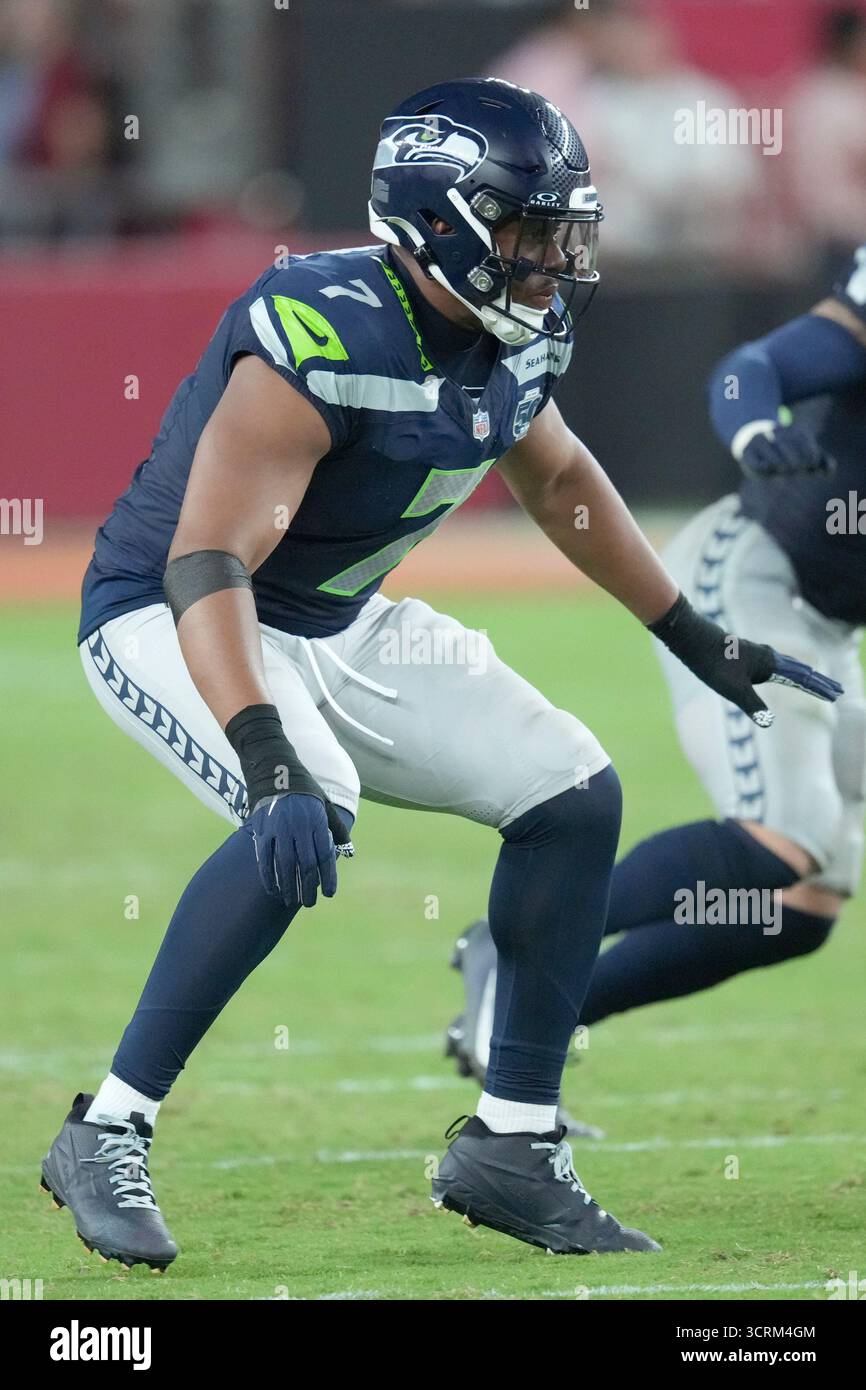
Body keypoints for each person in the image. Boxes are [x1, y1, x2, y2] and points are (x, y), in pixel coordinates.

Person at [41, 78, 839, 1268]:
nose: (549, 259)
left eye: (558, 231)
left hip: (340, 615)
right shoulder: (321, 328)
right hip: (181, 607)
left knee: (572, 791)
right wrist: (263, 750)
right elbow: (208, 555)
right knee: (302, 806)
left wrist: (690, 632)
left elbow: (559, 481)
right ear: (440, 222)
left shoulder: (518, 330)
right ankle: (107, 1128)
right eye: (525, 231)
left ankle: (511, 1142)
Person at [445, 246, 866, 1128]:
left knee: (804, 905)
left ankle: (534, 1025)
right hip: (752, 579)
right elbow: (759, 368)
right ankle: (510, 942)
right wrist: (755, 431)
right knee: (785, 840)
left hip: (829, 628)